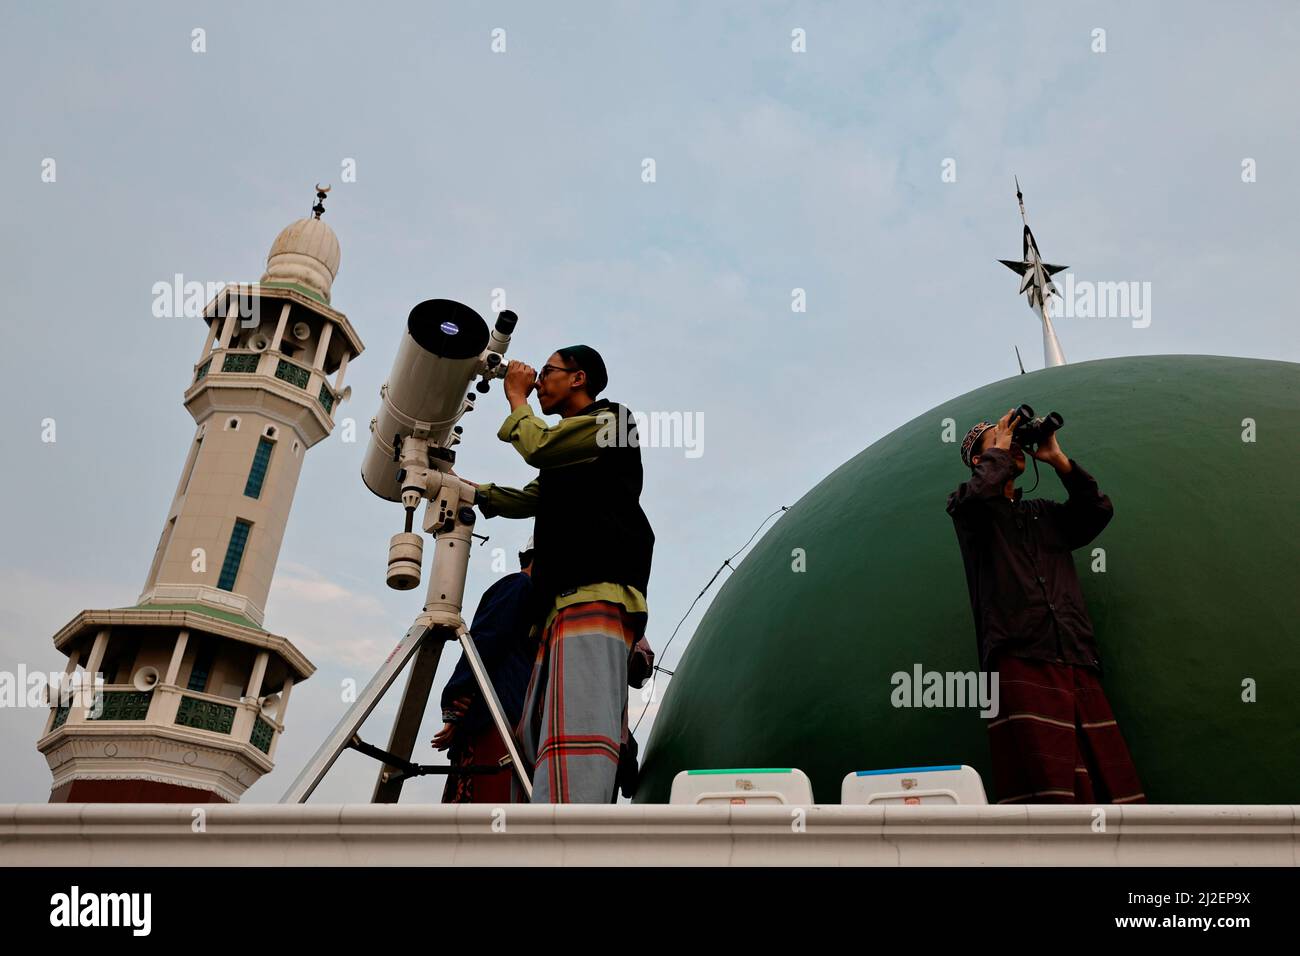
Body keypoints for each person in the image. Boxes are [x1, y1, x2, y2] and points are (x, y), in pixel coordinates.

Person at [466, 344, 653, 803]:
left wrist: (516, 399)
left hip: (593, 594)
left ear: (578, 379)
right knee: (543, 740)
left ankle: (568, 843)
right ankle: (547, 832)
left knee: (578, 738)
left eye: (547, 372)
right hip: (561, 605)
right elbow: (530, 497)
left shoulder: (612, 423)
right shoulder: (568, 457)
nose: (538, 380)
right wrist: (468, 491)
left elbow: (539, 447)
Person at [946, 408, 1145, 804]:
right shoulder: (969, 509)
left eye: (1015, 441)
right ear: (978, 460)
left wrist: (1059, 461)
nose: (1014, 446)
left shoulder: (1044, 515)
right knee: (1048, 788)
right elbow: (977, 497)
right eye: (1002, 440)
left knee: (1110, 782)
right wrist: (998, 450)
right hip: (1020, 656)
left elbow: (1096, 511)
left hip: (1074, 654)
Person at [432, 537, 537, 804]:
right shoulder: (519, 586)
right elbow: (485, 642)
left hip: (513, 719)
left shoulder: (536, 600)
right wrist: (456, 706)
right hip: (495, 718)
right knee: (486, 809)